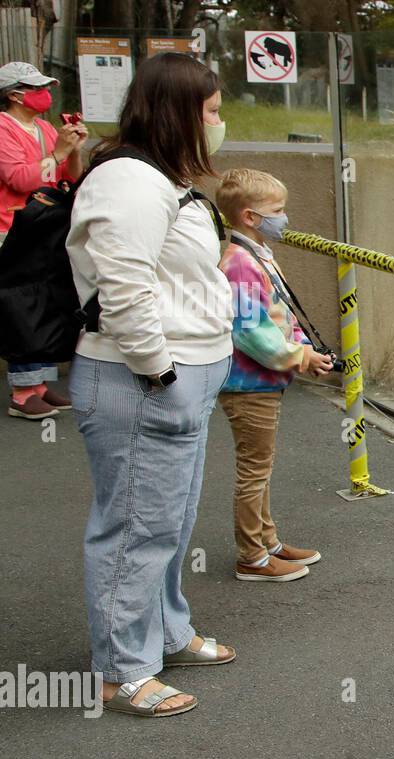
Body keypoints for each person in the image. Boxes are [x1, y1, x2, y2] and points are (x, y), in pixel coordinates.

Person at [66, 52, 236, 717]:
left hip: (179, 378)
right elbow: (125, 287)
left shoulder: (162, 179)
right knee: (136, 526)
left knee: (168, 520)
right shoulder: (129, 181)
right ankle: (119, 671)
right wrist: (159, 372)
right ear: (181, 112)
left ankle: (163, 630)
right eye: (214, 111)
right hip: (142, 380)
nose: (220, 124)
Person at [214, 167, 331, 582]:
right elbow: (250, 331)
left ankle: (268, 540)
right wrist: (300, 357)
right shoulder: (241, 265)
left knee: (260, 465)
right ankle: (252, 556)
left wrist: (303, 348)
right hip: (248, 385)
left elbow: (278, 314)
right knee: (254, 470)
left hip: (261, 383)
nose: (284, 217)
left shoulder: (257, 255)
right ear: (249, 216)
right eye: (277, 210)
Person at [0, 60, 86, 419]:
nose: (45, 94)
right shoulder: (3, 128)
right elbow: (21, 179)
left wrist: (74, 147)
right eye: (37, 88)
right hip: (12, 228)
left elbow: (71, 176)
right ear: (16, 94)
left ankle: (39, 384)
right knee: (22, 305)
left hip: (44, 226)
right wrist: (60, 153)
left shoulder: (45, 128)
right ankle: (22, 392)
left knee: (46, 303)